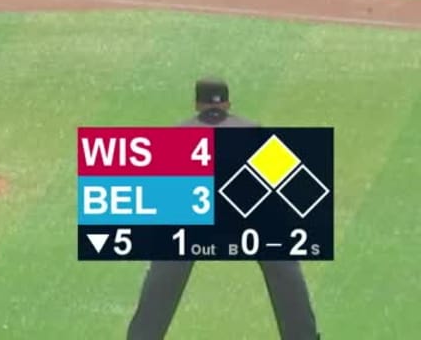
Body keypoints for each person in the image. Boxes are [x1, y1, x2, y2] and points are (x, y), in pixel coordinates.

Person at [125, 77, 321, 340]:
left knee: (164, 272)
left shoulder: (179, 133)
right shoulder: (251, 129)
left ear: (197, 104)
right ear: (228, 103)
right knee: (284, 267)